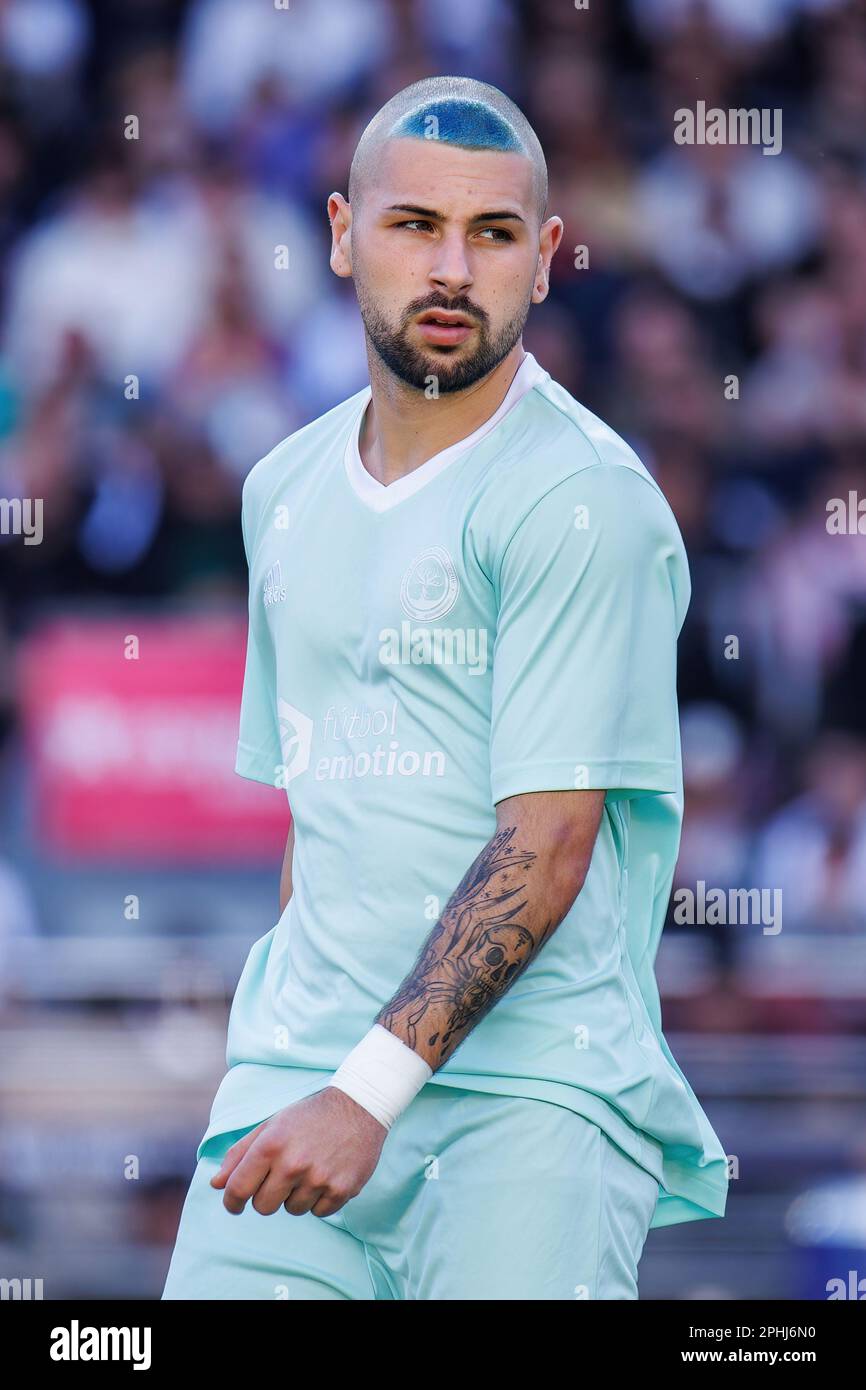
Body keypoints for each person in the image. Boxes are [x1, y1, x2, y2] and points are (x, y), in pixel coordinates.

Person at [162, 74, 728, 1302]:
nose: (451, 268)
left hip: (531, 1098)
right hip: (295, 1079)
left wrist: (364, 1092)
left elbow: (549, 842)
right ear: (337, 233)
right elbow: (317, 824)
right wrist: (305, 1068)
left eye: (493, 233)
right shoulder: (281, 489)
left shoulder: (583, 498)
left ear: (544, 260)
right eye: (414, 225)